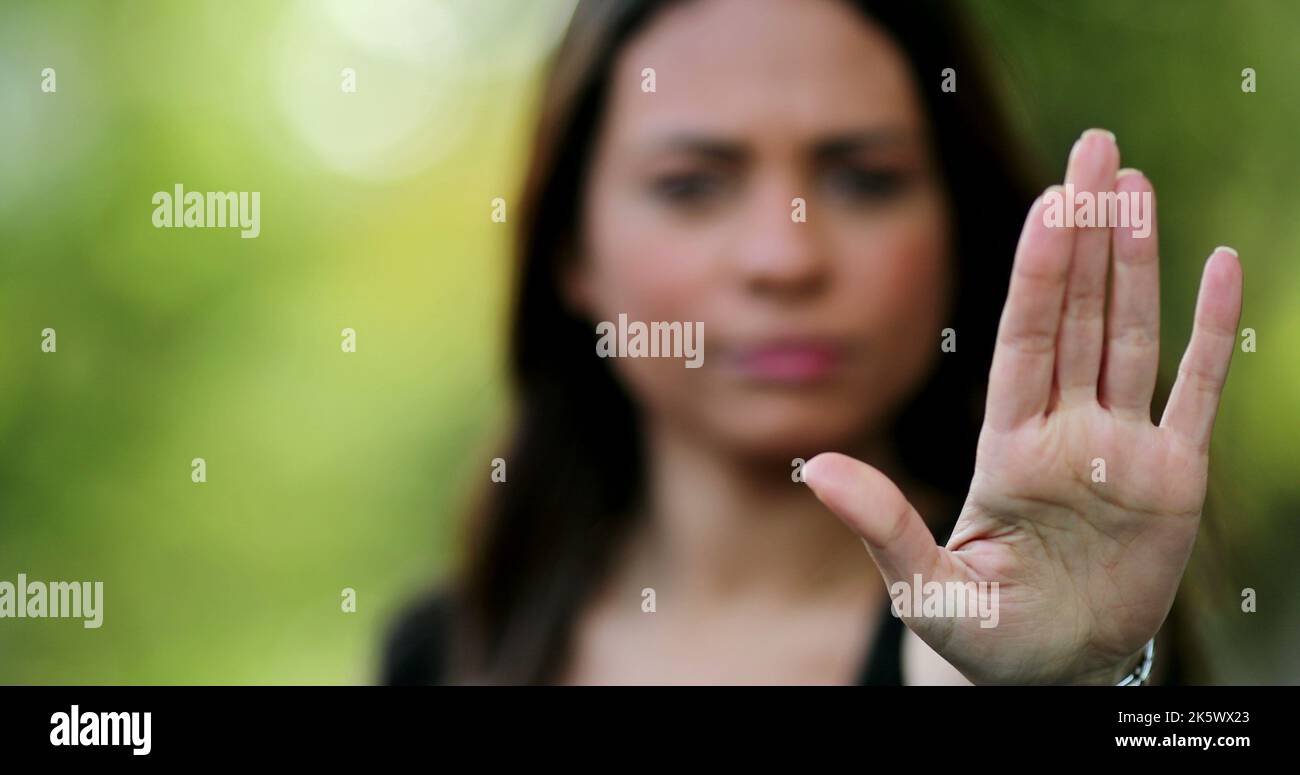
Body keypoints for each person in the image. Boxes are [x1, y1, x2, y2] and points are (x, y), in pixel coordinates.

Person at [384, 0, 1241, 685]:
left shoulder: (1031, 627)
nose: (786, 256)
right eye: (691, 186)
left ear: (959, 230)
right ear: (572, 250)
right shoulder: (440, 653)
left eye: (865, 180)